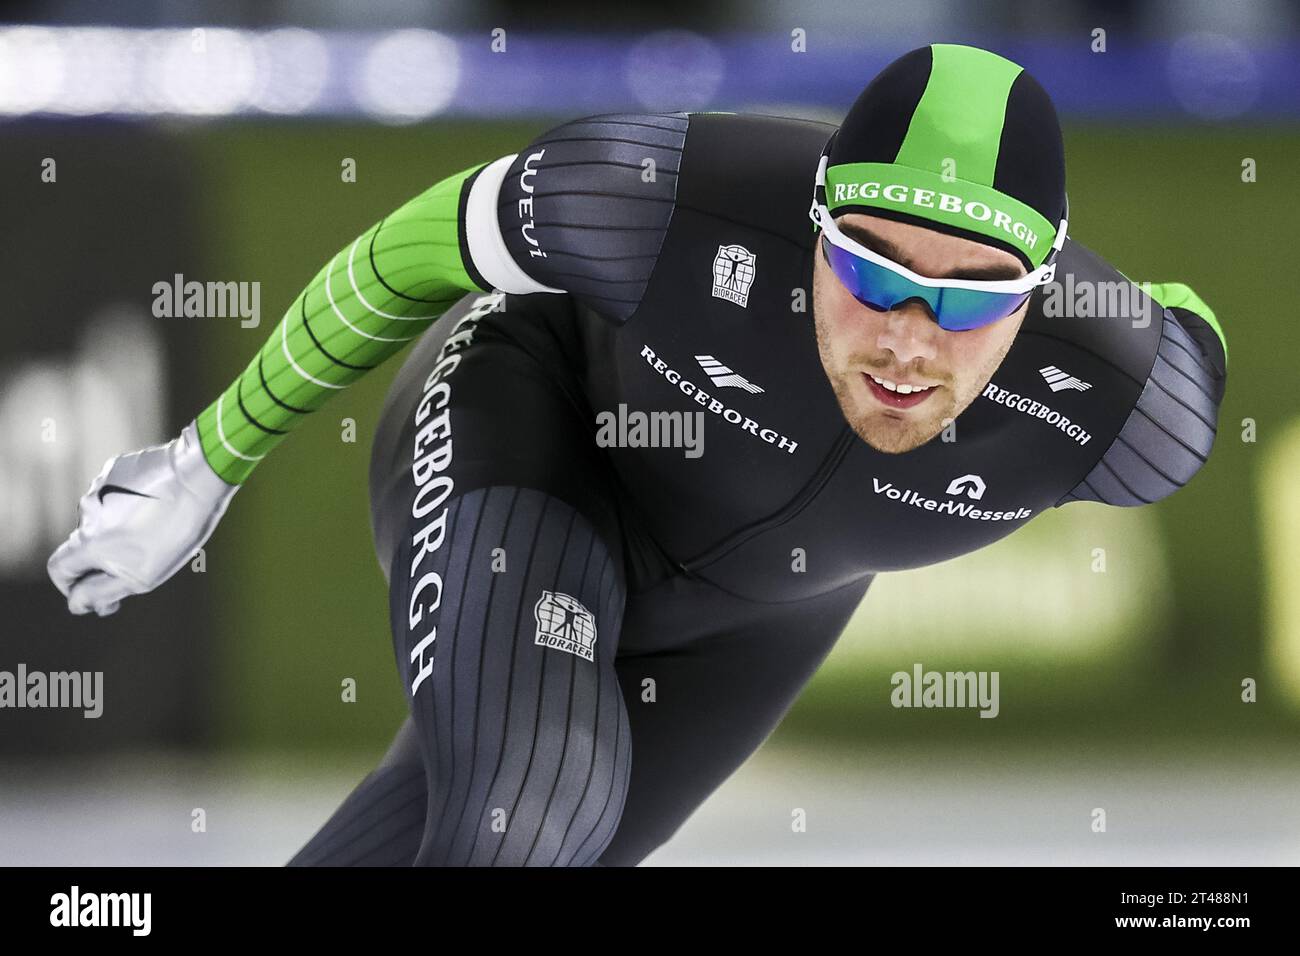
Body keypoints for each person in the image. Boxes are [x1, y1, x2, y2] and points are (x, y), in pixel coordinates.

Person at [46, 43, 1228, 866]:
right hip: (540, 426)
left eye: (970, 302)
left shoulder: (1130, 402)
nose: (908, 342)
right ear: (812, 219)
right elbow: (415, 248)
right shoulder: (666, 201)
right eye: (871, 269)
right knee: (528, 810)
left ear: (1041, 291)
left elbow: (1185, 318)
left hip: (759, 608)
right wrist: (208, 461)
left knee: (511, 835)